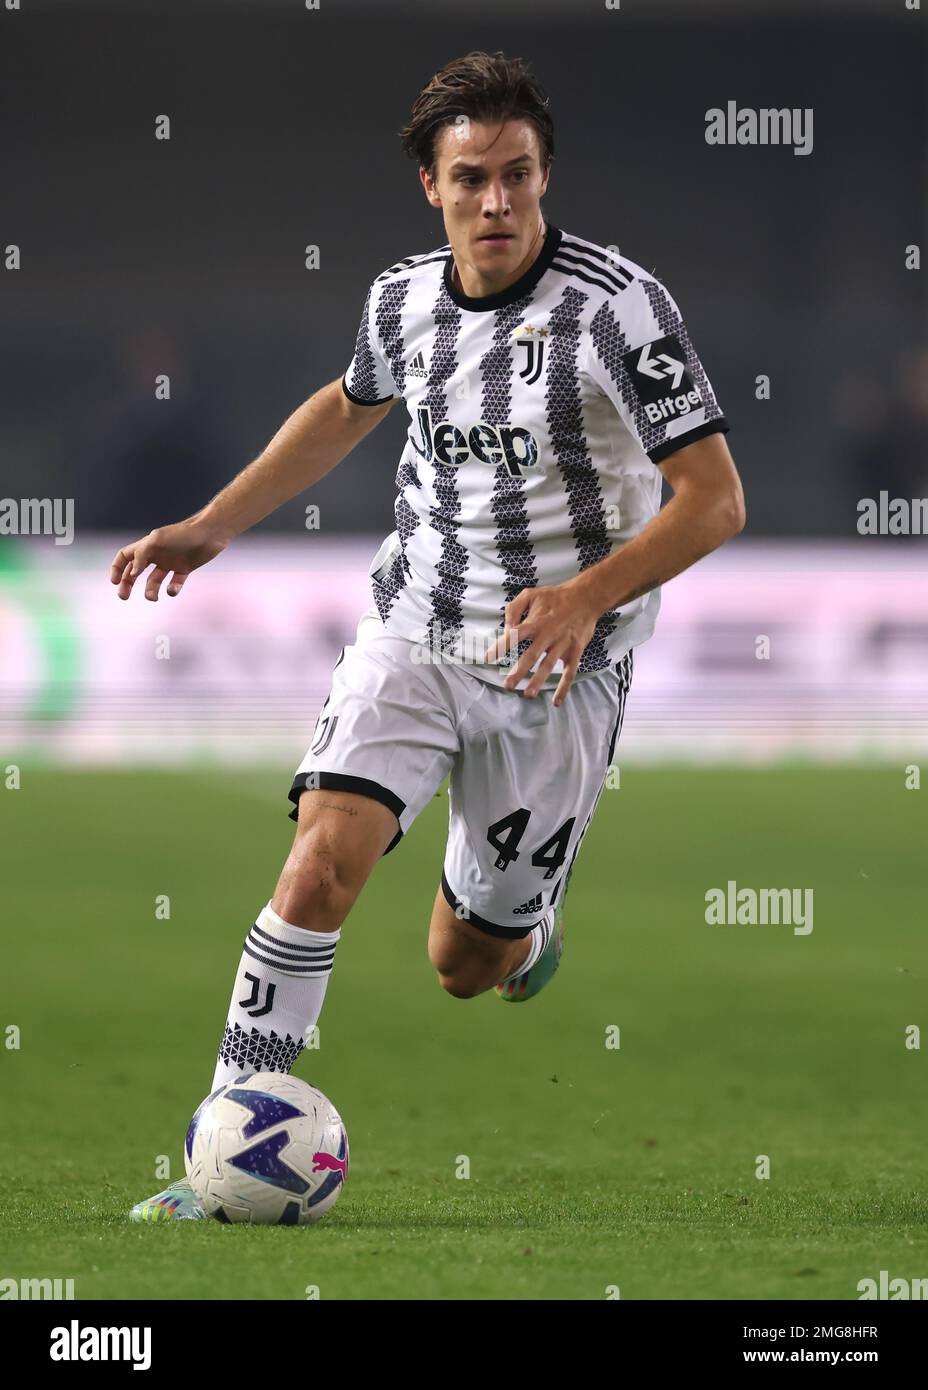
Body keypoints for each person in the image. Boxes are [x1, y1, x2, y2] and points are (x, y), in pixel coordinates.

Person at [116, 50, 745, 1221]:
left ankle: (524, 926)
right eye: (471, 180)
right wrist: (212, 525)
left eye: (517, 177)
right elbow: (343, 412)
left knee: (465, 966)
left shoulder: (619, 309)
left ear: (545, 176)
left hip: (555, 668)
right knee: (320, 859)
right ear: (430, 186)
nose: (496, 202)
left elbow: (713, 498)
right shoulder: (399, 301)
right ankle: (224, 1146)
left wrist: (583, 595)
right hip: (411, 629)